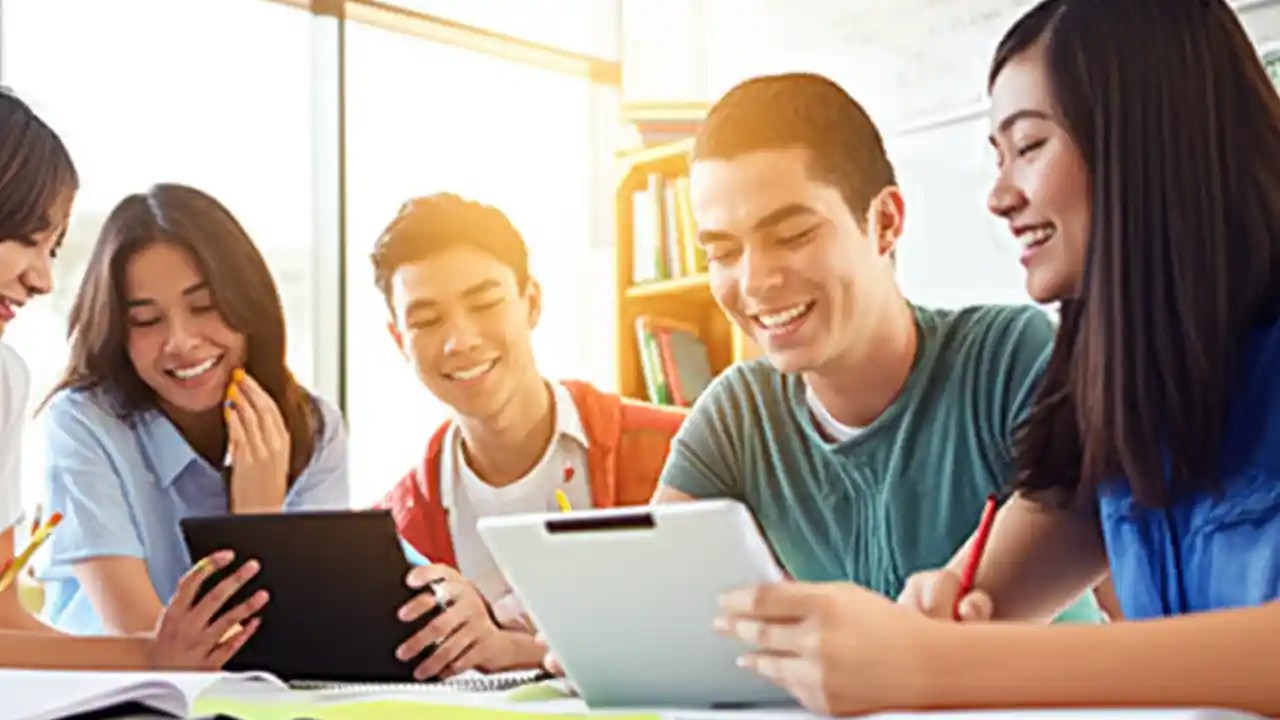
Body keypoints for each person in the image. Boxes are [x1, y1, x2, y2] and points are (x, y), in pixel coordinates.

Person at [713, 1, 1280, 716]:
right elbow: (957, 609)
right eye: (997, 155)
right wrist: (921, 621)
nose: (999, 196)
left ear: (1145, 142)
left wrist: (945, 662)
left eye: (1030, 146)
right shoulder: (1119, 398)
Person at [648, 73, 1105, 616]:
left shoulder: (1011, 358)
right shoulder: (737, 415)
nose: (753, 283)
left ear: (885, 222)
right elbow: (650, 589)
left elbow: (941, 641)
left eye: (793, 235)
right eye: (723, 252)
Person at [373, 193, 686, 680]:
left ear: (532, 303)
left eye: (485, 303)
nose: (461, 341)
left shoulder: (678, 452)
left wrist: (509, 649)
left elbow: (709, 637)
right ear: (399, 341)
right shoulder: (393, 528)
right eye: (427, 321)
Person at [0, 90, 263, 668]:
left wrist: (152, 657)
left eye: (53, 249)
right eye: (26, 240)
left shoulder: (4, 381)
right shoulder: (83, 422)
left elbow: (3, 625)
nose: (41, 279)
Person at [36, 183, 349, 637]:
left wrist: (259, 513)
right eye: (146, 320)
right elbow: (145, 642)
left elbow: (308, 637)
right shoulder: (84, 423)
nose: (180, 341)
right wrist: (254, 530)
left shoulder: (315, 428)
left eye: (205, 306)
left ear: (249, 306)